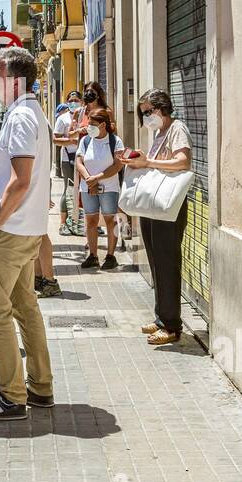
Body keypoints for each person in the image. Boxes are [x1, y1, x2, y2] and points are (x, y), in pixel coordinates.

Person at [0, 46, 54, 421]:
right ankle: (40, 387)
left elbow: (20, 182)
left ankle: (11, 396)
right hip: (27, 230)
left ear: (14, 80)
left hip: (11, 231)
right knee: (24, 306)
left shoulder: (21, 118)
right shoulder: (31, 114)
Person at [117, 88, 193, 346]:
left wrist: (147, 163)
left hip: (169, 206)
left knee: (167, 262)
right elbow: (156, 161)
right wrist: (139, 159)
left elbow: (183, 162)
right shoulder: (160, 133)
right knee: (156, 262)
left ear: (162, 108)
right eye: (143, 113)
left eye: (148, 111)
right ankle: (162, 318)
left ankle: (172, 325)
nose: (146, 117)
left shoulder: (177, 128)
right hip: (155, 207)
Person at [74, 107, 124, 270]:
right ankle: (93, 255)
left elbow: (118, 165)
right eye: (89, 123)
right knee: (91, 220)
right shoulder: (85, 141)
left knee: (110, 220)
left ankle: (111, 255)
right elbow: (79, 162)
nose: (89, 127)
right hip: (88, 186)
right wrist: (89, 178)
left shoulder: (114, 141)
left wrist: (98, 178)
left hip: (109, 187)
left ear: (103, 125)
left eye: (92, 124)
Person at [53, 91, 83, 236]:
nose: (73, 102)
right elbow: (56, 139)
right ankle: (63, 223)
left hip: (86, 160)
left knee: (84, 192)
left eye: (76, 100)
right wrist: (72, 141)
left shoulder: (87, 117)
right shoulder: (62, 119)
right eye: (71, 100)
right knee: (68, 189)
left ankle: (82, 222)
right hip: (68, 158)